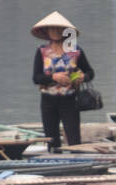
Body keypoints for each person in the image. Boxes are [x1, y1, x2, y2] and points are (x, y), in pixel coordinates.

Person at [31, 11, 95, 151]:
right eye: (51, 28)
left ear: (65, 31)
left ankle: (77, 167)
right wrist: (53, 77)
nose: (55, 31)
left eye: (58, 28)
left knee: (74, 141)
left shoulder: (75, 51)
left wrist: (81, 77)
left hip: (70, 100)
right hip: (48, 101)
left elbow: (90, 73)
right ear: (47, 31)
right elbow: (36, 78)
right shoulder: (42, 51)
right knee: (52, 141)